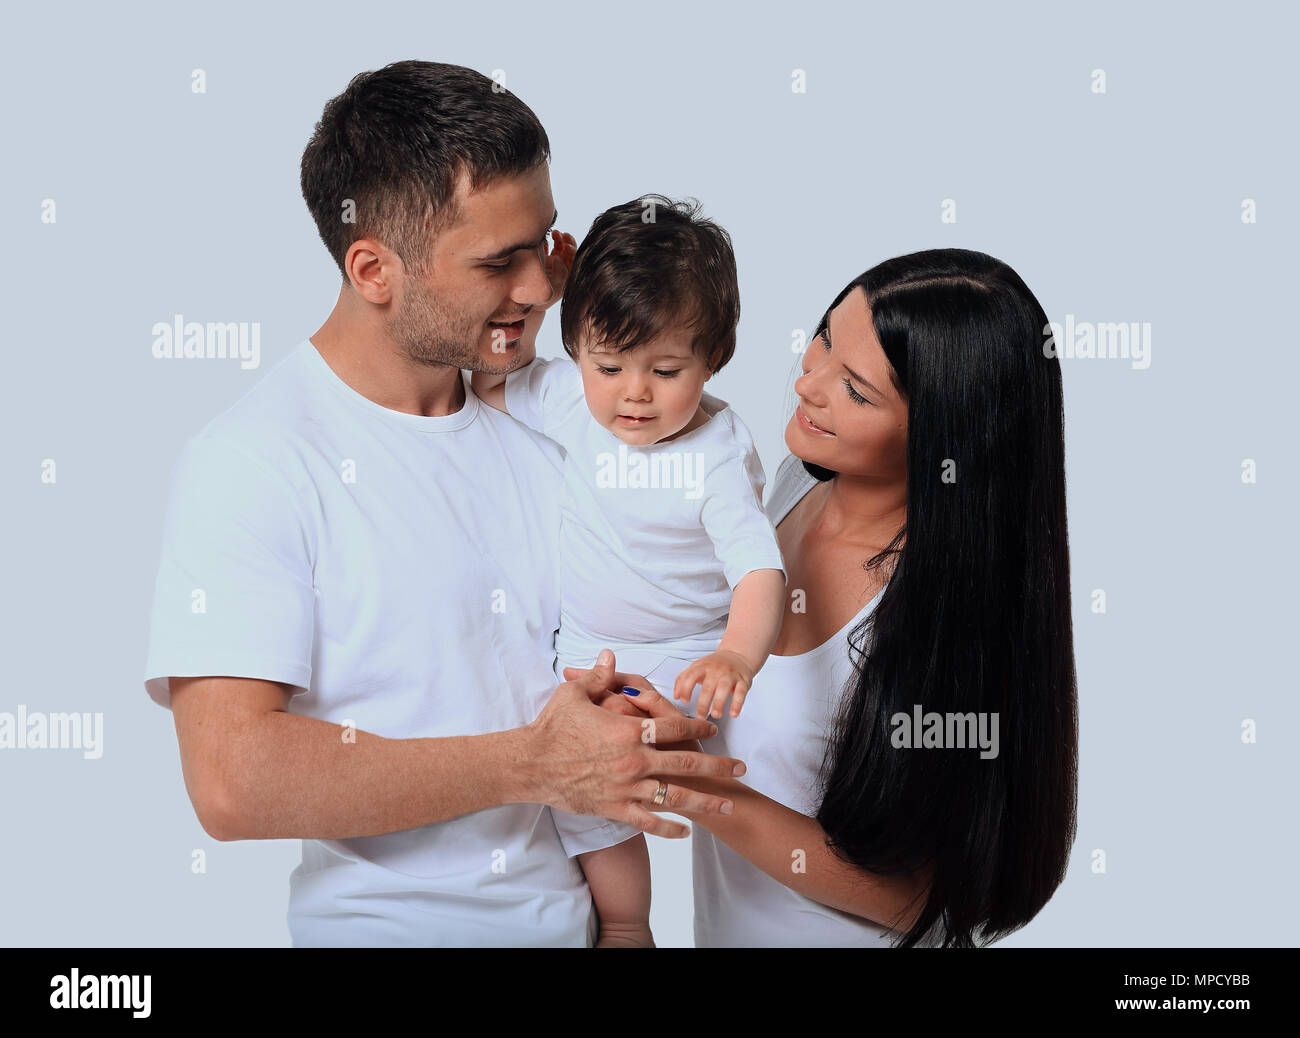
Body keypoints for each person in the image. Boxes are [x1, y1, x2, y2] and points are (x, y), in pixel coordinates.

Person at [142, 59, 740, 948]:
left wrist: (655, 711)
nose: (540, 287)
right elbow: (233, 781)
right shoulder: (254, 460)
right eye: (499, 262)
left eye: (546, 243)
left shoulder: (559, 417)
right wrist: (535, 767)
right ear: (374, 268)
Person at [574, 249, 1079, 947]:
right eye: (824, 340)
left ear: (944, 436)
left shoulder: (945, 613)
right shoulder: (788, 488)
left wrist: (698, 790)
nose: (809, 384)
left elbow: (922, 903)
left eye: (857, 390)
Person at [471, 195, 787, 948]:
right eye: (608, 365)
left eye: (666, 369)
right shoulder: (569, 401)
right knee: (580, 792)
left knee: (707, 769)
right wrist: (538, 302)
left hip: (690, 657)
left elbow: (759, 571)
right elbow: (487, 383)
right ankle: (625, 924)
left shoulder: (713, 454)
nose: (634, 393)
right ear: (580, 348)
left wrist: (736, 654)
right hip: (588, 654)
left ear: (714, 358)